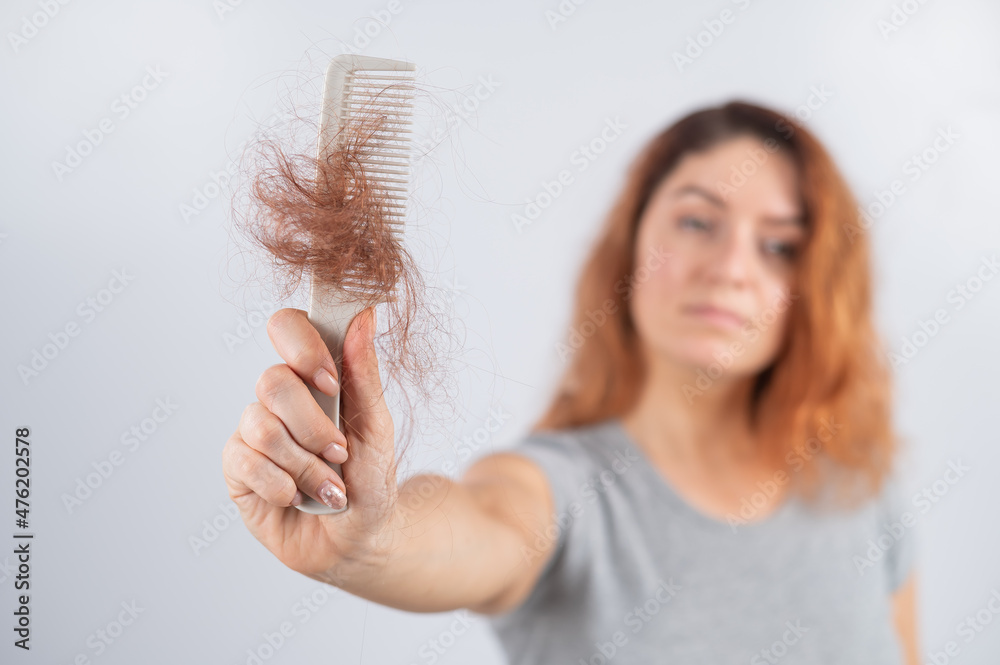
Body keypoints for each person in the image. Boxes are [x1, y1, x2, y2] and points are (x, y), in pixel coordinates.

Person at [222, 100, 920, 664]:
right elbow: (486, 523)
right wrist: (374, 536)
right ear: (633, 244)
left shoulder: (861, 483)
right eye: (698, 220)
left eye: (779, 245)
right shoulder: (563, 492)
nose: (732, 266)